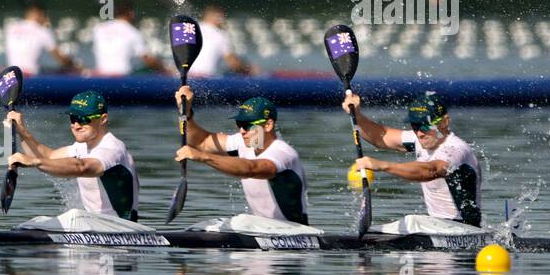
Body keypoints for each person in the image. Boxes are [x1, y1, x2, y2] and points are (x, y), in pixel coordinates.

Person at [341, 91, 482, 226]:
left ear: (444, 122)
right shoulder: (420, 138)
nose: (420, 133)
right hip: (436, 225)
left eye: (426, 125)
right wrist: (357, 115)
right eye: (415, 126)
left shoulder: (456, 150)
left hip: (465, 229)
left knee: (412, 221)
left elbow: (431, 170)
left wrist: (383, 166)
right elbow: (381, 136)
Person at [174, 87, 309, 224]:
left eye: (247, 125)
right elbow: (201, 141)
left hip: (294, 232)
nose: (242, 131)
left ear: (268, 125)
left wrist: (204, 157)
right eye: (239, 124)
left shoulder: (282, 153)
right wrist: (185, 111)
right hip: (264, 228)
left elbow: (252, 169)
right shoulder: (243, 141)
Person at [5, 90, 139, 220]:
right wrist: (21, 130)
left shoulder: (113, 149)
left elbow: (82, 167)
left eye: (83, 119)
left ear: (103, 119)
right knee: (39, 221)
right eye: (73, 118)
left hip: (121, 229)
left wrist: (34, 162)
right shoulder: (81, 147)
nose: (76, 125)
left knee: (72, 216)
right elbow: (48, 157)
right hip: (95, 226)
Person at [91, 1, 170, 76]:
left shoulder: (99, 28)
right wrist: (166, 70)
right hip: (123, 77)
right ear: (131, 14)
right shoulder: (133, 32)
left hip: (100, 74)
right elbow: (147, 59)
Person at [4, 2, 78, 75]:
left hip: (11, 74)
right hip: (31, 75)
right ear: (41, 14)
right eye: (45, 15)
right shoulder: (42, 31)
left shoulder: (11, 27)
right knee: (69, 70)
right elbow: (60, 59)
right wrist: (73, 64)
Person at [189, 4, 256, 77]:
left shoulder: (190, 28)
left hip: (182, 77)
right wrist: (249, 70)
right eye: (220, 17)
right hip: (205, 79)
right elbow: (232, 63)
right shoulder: (221, 35)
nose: (222, 20)